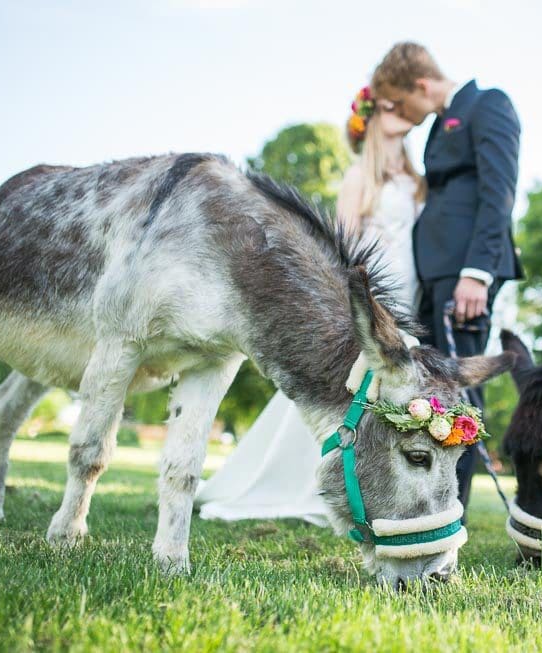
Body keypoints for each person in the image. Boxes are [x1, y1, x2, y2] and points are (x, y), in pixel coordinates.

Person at [194, 86, 424, 523]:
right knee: (343, 387)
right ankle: (315, 481)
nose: (397, 118)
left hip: (410, 290)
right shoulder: (359, 177)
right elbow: (345, 248)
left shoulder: (417, 183)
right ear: (369, 122)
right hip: (372, 291)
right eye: (386, 111)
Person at [371, 42, 523, 513]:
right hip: (432, 278)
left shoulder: (488, 104)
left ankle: (452, 511)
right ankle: (425, 500)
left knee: (460, 391)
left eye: (401, 101)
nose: (402, 111)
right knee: (429, 390)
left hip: (465, 277)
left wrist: (476, 273)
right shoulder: (437, 125)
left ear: (421, 84)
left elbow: (500, 191)